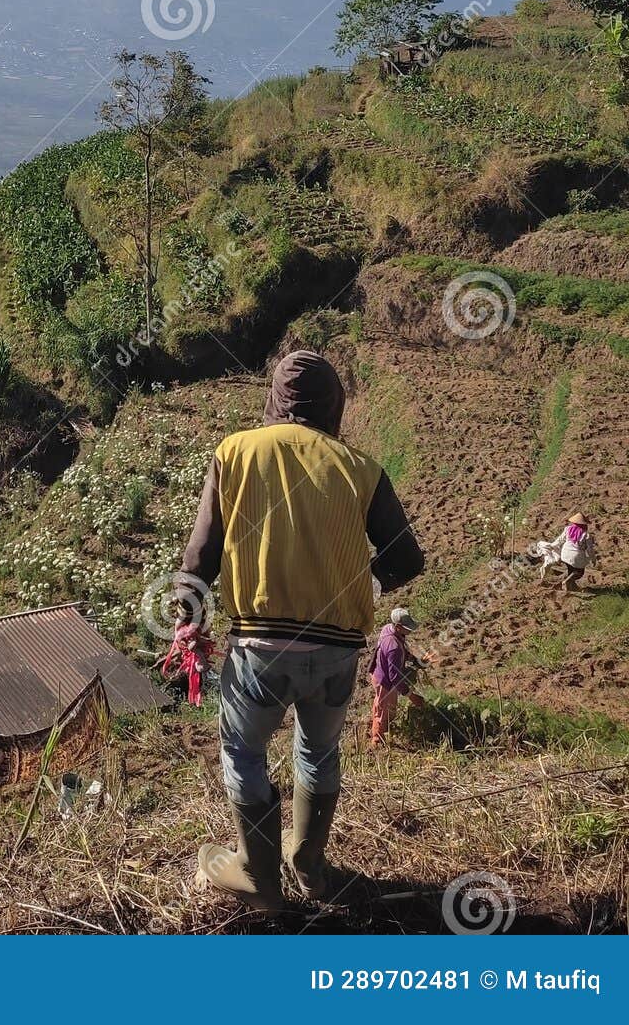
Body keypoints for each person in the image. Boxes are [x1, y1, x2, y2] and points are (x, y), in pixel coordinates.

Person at [180, 350, 423, 911]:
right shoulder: (361, 469)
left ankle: (259, 878)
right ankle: (308, 866)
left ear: (275, 400)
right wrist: (371, 589)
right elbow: (406, 558)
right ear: (333, 404)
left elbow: (201, 554)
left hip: (258, 648)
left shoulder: (235, 452)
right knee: (318, 751)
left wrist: (187, 618)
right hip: (337, 650)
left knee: (243, 752)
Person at [368, 606, 425, 747]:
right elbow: (395, 677)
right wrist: (412, 696)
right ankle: (376, 741)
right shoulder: (393, 646)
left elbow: (403, 651)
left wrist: (416, 661)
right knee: (385, 711)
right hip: (385, 681)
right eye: (407, 628)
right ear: (398, 626)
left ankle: (378, 728)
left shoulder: (388, 628)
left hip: (378, 672)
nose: (410, 631)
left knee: (382, 705)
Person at [539, 513, 595, 594]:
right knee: (579, 573)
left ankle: (572, 586)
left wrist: (552, 546)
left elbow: (560, 540)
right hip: (576, 556)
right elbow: (590, 550)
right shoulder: (586, 535)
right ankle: (566, 582)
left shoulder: (568, 529)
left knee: (571, 570)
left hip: (565, 554)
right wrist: (593, 559)